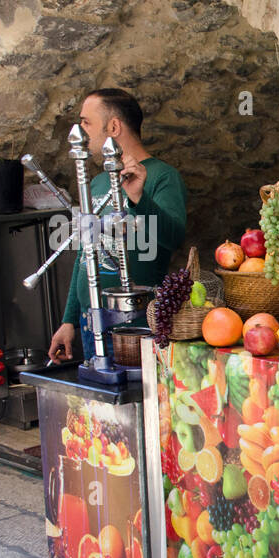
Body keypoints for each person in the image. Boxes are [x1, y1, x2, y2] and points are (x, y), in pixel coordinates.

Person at [48, 88, 187, 361]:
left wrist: (139, 198)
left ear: (113, 126)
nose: (80, 132)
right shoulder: (99, 182)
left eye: (86, 122)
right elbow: (85, 254)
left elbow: (174, 237)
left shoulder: (162, 176)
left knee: (136, 401)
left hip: (135, 322)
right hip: (92, 322)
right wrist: (69, 320)